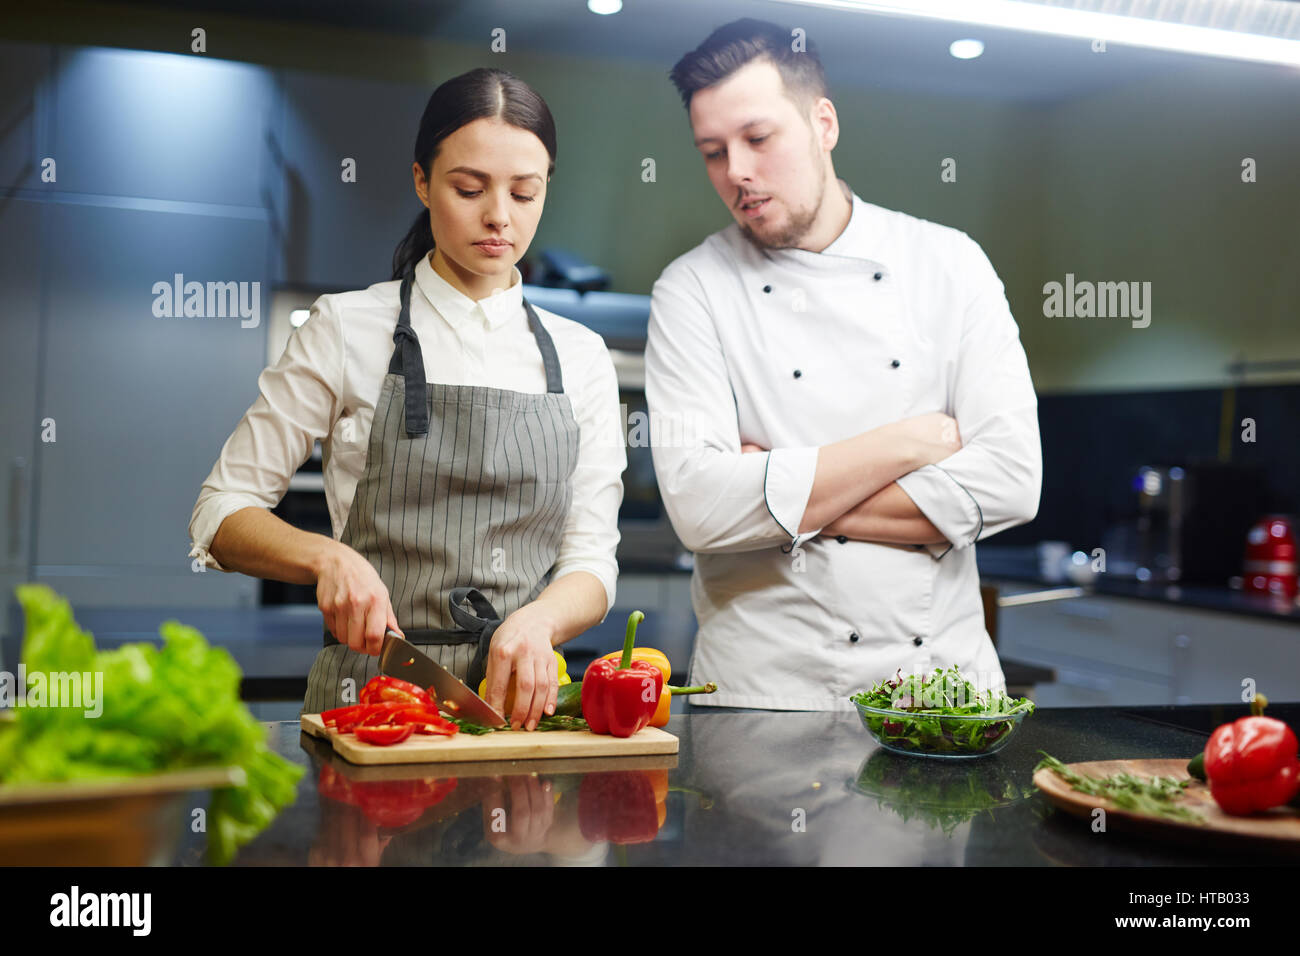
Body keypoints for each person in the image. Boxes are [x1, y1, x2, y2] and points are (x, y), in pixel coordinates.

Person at [188, 68, 625, 729]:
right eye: (469, 188)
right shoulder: (344, 328)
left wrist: (538, 622)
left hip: (519, 710)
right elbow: (220, 514)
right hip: (370, 709)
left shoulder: (582, 357)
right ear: (422, 180)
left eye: (525, 193)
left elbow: (591, 563)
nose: (498, 217)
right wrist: (325, 556)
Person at [645, 19, 1041, 710]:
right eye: (713, 151)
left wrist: (780, 488)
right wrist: (905, 444)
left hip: (941, 698)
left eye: (758, 138)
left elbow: (1011, 482)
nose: (736, 170)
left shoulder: (950, 265)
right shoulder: (692, 289)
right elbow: (701, 511)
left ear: (823, 123)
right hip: (764, 704)